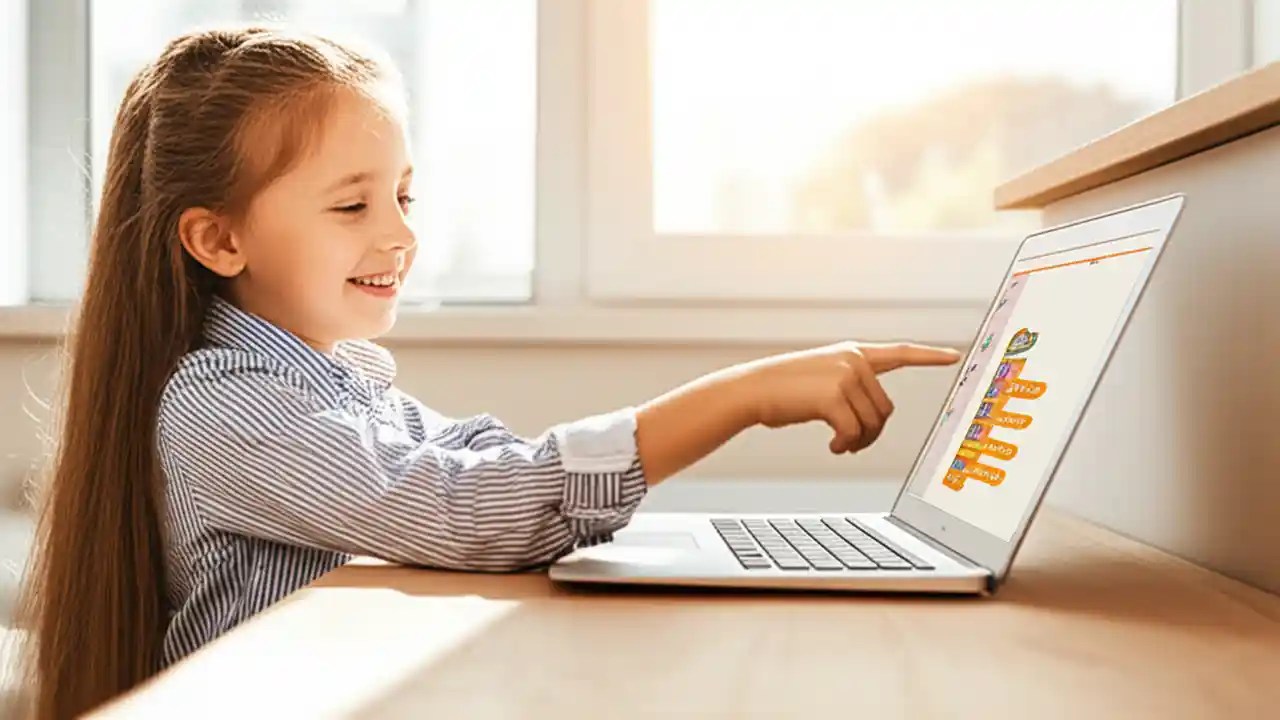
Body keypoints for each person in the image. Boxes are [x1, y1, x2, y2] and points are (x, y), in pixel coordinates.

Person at [13, 27, 960, 719]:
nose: (400, 233)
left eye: (403, 195)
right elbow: (469, 511)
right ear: (219, 239)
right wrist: (741, 397)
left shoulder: (331, 382)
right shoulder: (226, 408)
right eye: (351, 205)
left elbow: (481, 461)